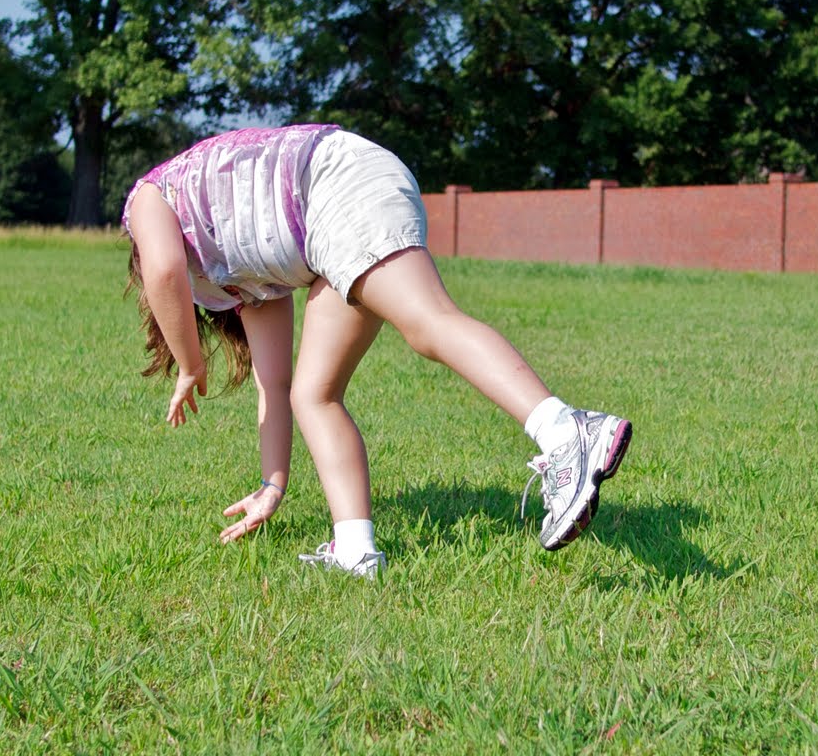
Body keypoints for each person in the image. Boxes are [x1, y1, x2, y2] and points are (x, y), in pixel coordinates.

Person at [122, 123, 631, 578]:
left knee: (427, 322)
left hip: (338, 185)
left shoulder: (149, 197)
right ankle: (355, 551)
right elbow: (273, 387)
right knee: (313, 393)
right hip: (328, 223)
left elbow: (164, 270)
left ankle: (565, 430)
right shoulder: (243, 273)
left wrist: (189, 364)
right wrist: (271, 485)